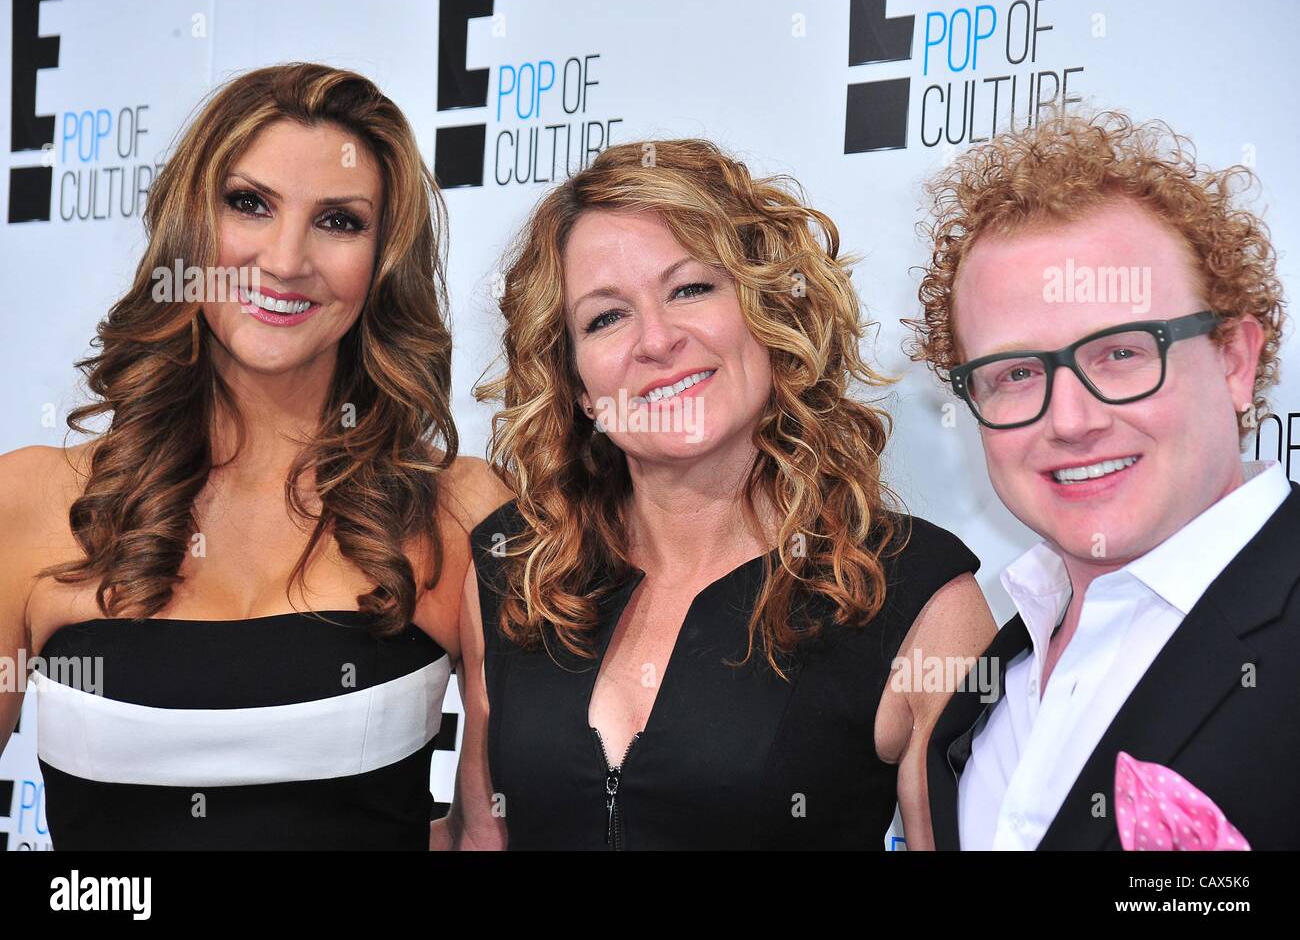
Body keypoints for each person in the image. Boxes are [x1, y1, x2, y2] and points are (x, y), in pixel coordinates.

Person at [0, 62, 506, 849]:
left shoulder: (459, 514)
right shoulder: (28, 503)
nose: (284, 259)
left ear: (382, 264)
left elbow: (493, 831)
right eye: (249, 204)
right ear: (190, 226)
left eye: (340, 221)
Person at [448, 139, 996, 850]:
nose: (657, 339)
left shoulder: (912, 590)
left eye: (691, 289)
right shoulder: (514, 569)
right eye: (606, 317)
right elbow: (482, 838)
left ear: (772, 314)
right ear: (580, 388)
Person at [907, 110, 1297, 850]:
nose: (1073, 419)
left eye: (1121, 353)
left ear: (1235, 362)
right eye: (1017, 373)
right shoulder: (990, 681)